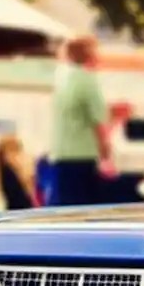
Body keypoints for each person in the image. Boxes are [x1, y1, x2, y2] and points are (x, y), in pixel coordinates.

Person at [49, 36, 110, 206]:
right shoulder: (88, 81)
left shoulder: (61, 77)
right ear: (90, 55)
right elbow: (99, 123)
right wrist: (106, 155)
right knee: (84, 207)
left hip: (60, 154)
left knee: (65, 207)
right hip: (82, 156)